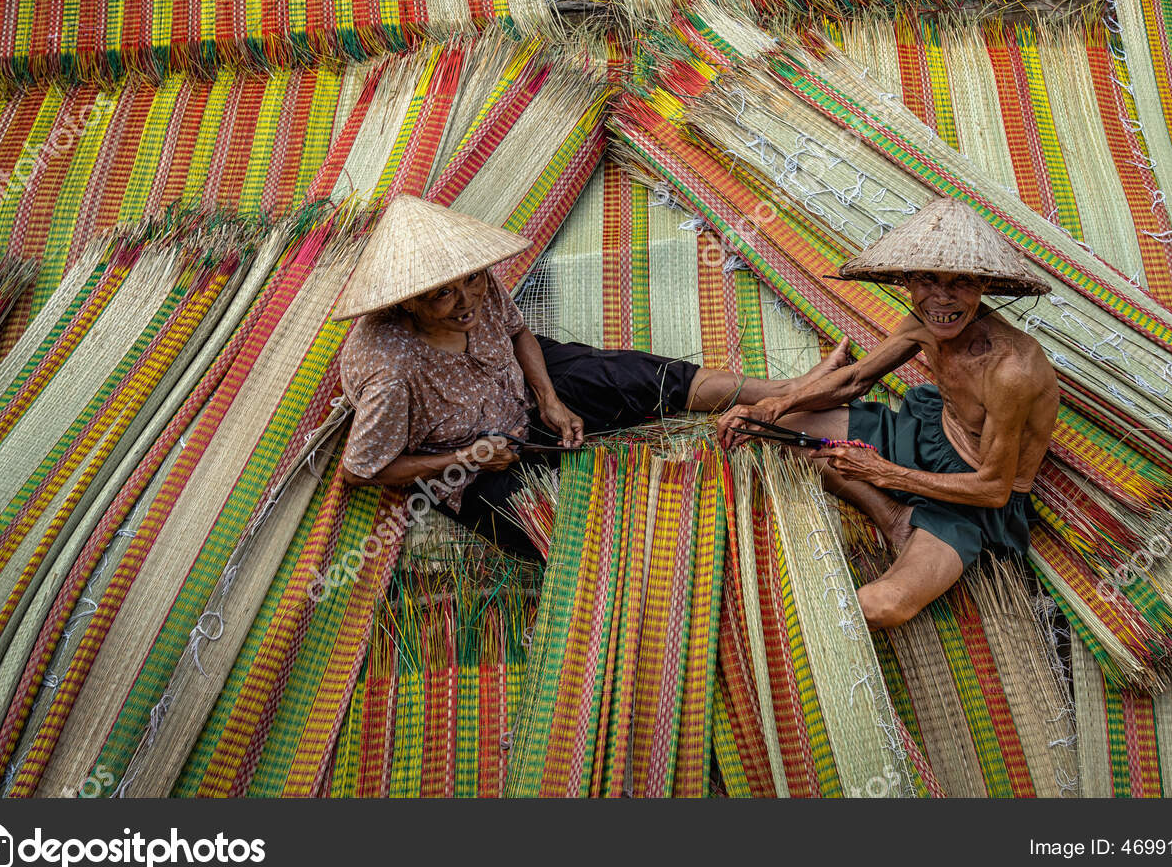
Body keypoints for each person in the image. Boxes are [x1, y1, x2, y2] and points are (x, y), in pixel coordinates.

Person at [332, 194, 851, 557]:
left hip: (517, 383)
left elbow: (518, 335)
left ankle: (791, 389)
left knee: (628, 375)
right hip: (469, 453)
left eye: (470, 282)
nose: (465, 300)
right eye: (442, 296)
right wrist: (467, 457)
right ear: (406, 303)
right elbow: (360, 470)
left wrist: (550, 400)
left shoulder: (471, 286)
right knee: (559, 525)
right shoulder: (393, 372)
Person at [718, 198, 1060, 631]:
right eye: (927, 280)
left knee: (879, 607)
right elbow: (856, 378)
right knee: (774, 431)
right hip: (927, 436)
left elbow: (993, 489)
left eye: (961, 283)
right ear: (907, 281)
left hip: (970, 497)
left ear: (984, 286)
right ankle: (893, 515)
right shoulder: (925, 318)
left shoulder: (1010, 370)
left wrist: (883, 473)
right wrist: (776, 405)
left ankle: (901, 514)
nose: (941, 297)